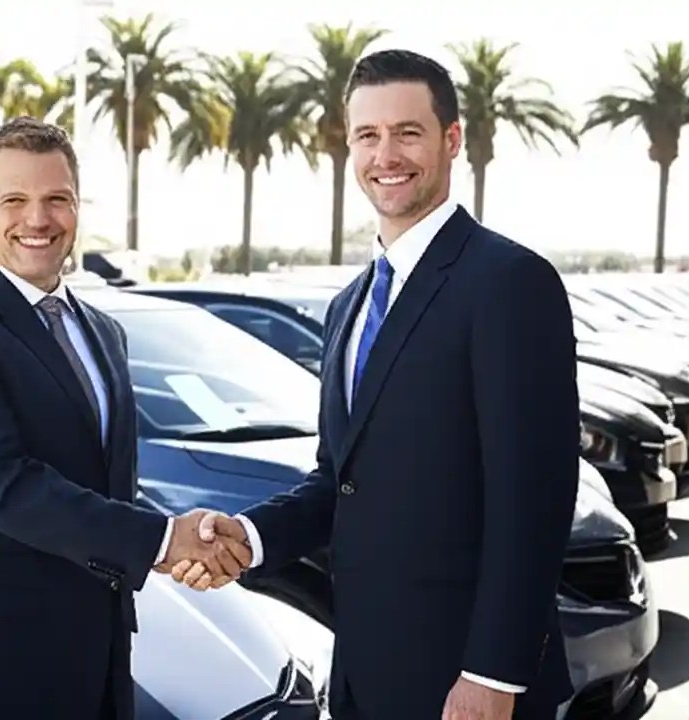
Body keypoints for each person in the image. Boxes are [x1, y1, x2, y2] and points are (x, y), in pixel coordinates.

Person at [174, 49, 581, 719]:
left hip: (466, 684)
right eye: (368, 135)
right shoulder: (349, 306)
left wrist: (494, 673)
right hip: (367, 675)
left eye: (407, 132)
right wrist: (250, 537)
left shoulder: (509, 283)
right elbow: (340, 480)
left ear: (452, 141)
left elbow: (532, 501)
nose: (385, 154)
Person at [0, 116, 250, 720]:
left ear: (77, 209)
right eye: (15, 200)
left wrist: (184, 535)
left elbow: (104, 483)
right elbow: (5, 486)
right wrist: (164, 540)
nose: (38, 219)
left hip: (96, 651)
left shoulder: (102, 332)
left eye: (57, 199)